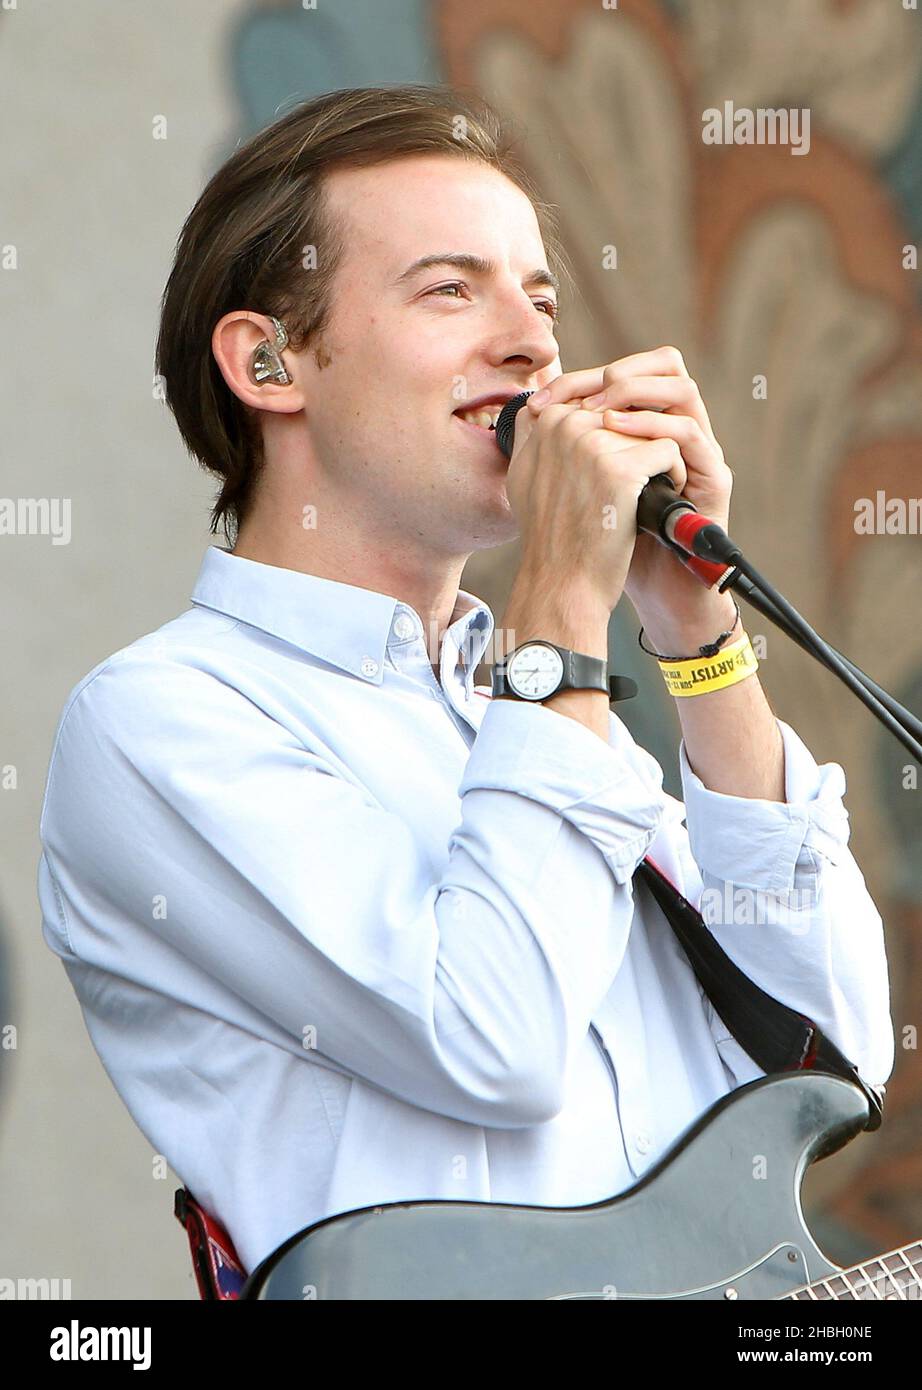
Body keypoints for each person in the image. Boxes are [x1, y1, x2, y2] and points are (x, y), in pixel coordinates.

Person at [37, 84, 893, 1282]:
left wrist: (694, 635)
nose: (536, 344)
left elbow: (828, 1050)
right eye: (452, 288)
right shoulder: (159, 722)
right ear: (269, 359)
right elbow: (493, 1041)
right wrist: (562, 604)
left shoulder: (537, 707)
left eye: (538, 297)